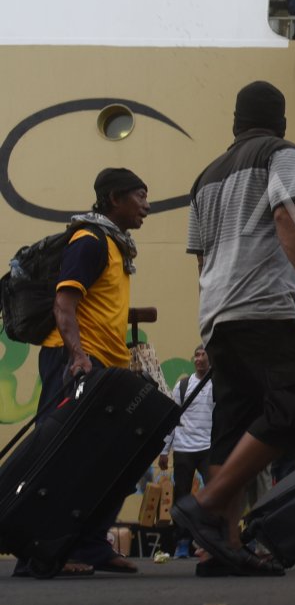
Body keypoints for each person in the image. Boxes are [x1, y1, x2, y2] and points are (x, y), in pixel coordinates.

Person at [172, 81, 295, 578]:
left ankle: (223, 546)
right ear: (280, 120)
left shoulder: (205, 177)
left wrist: (212, 313)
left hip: (217, 315)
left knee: (232, 430)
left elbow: (201, 260)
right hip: (261, 304)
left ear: (236, 122)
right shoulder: (280, 152)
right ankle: (208, 502)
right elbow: (288, 216)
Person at [14, 168, 150, 578]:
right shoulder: (89, 241)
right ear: (113, 199)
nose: (147, 205)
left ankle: (91, 544)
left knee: (111, 458)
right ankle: (35, 551)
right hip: (74, 362)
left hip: (106, 366)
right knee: (58, 458)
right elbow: (64, 304)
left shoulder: (116, 247)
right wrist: (77, 356)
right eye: (139, 196)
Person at [159, 345, 215, 559]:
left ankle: (209, 541)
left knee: (213, 494)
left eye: (203, 355)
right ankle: (182, 542)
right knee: (181, 497)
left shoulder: (215, 386)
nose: (199, 359)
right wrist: (165, 450)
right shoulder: (182, 386)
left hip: (208, 448)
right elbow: (172, 420)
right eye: (197, 355)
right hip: (183, 448)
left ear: (210, 360)